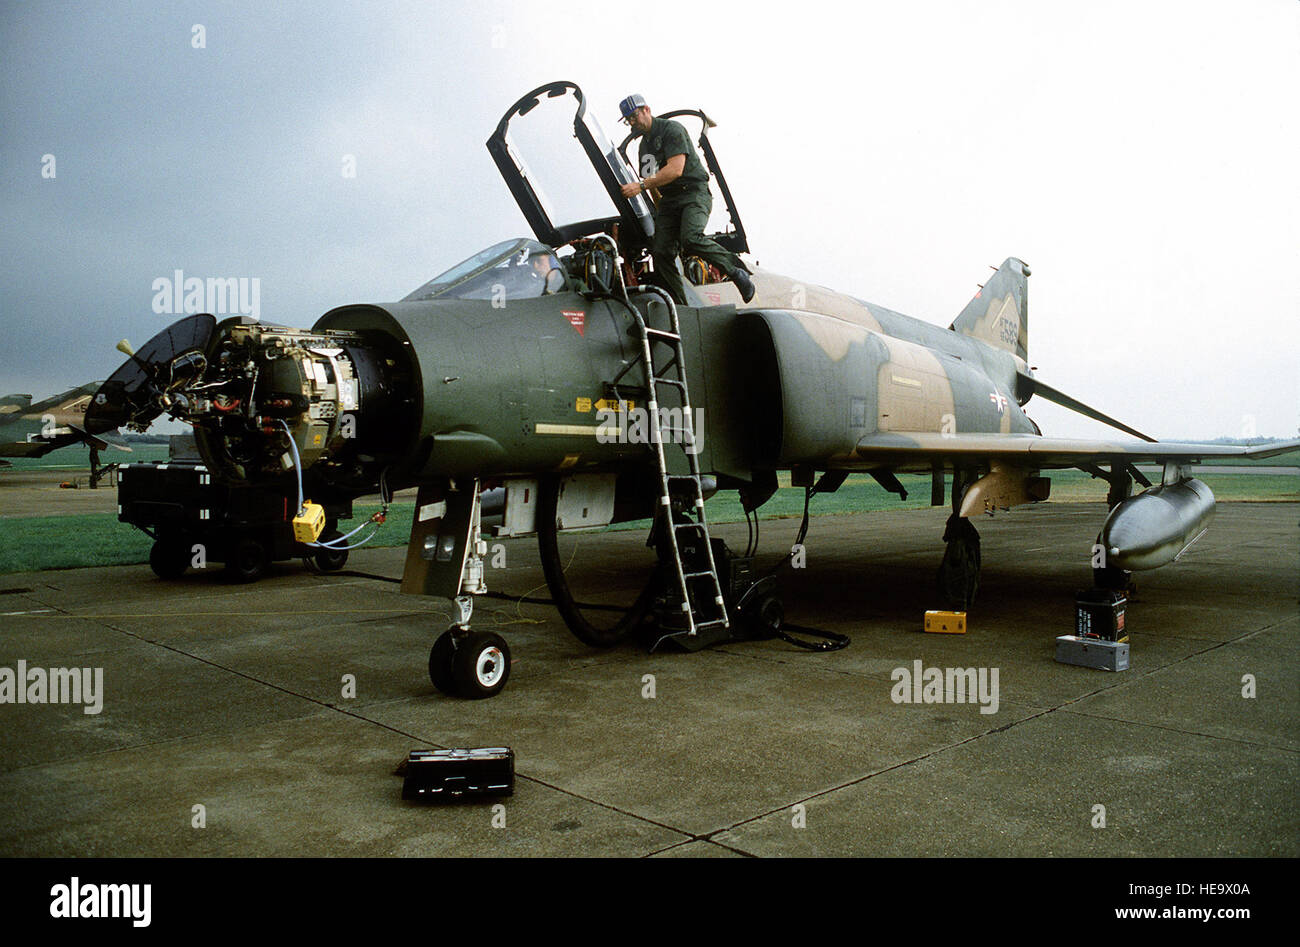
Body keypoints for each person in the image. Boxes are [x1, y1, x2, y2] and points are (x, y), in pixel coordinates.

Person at [616, 94, 755, 305]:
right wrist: (660, 212)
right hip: (670, 201)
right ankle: (681, 306)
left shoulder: (672, 130)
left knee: (690, 238)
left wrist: (640, 186)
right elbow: (651, 181)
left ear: (646, 109)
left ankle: (736, 272)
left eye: (634, 116)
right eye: (628, 120)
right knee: (661, 251)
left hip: (693, 193)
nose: (632, 122)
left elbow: (675, 169)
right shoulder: (644, 147)